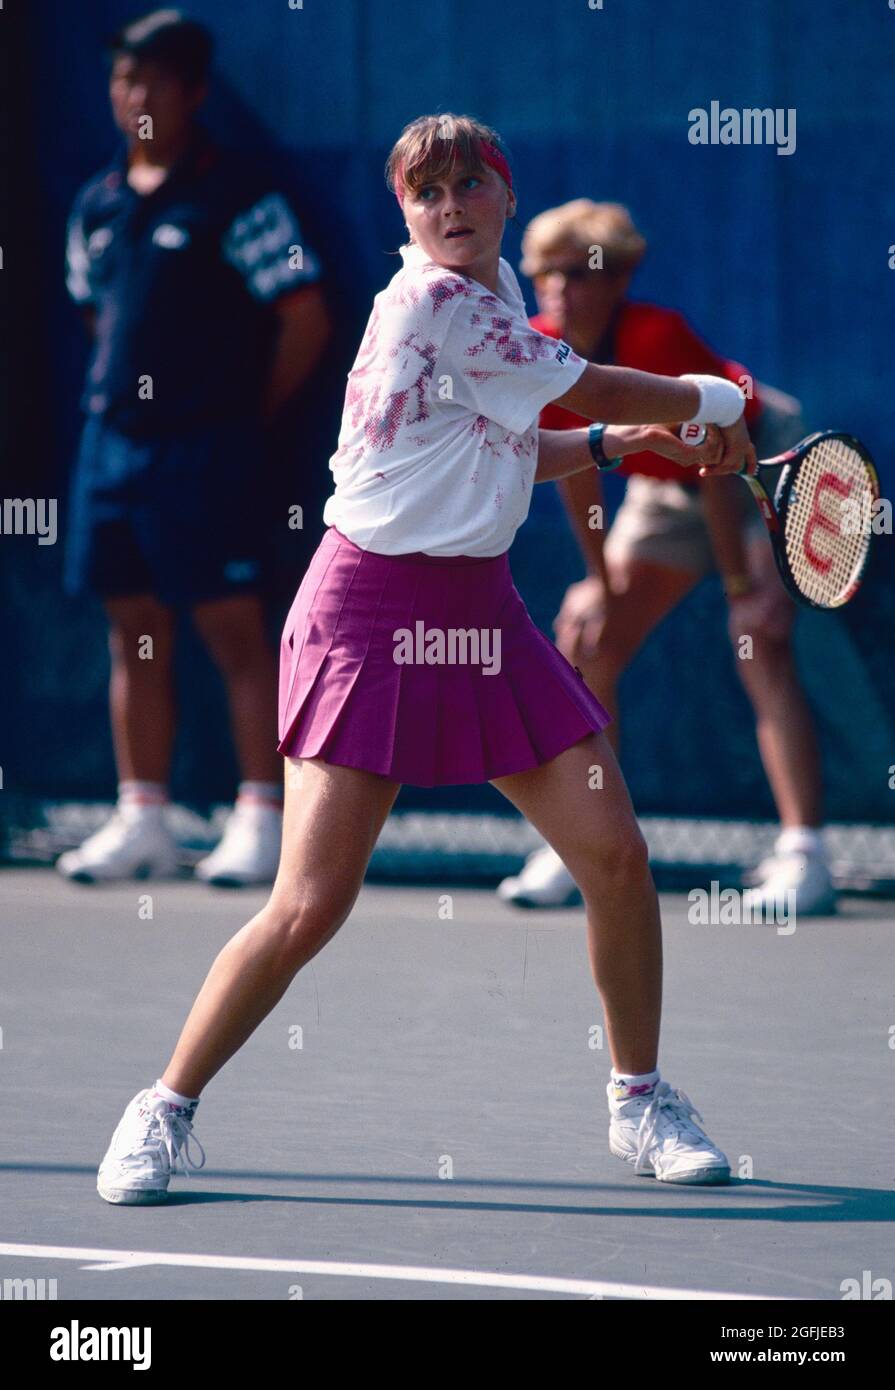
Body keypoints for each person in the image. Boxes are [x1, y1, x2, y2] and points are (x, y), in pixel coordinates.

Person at [95, 113, 756, 1206]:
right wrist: (713, 400)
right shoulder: (428, 300)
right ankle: (159, 1109)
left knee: (615, 855)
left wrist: (614, 443)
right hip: (369, 612)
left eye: (468, 185)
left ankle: (637, 1100)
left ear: (505, 193)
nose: (448, 207)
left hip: (482, 614)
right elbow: (590, 382)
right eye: (424, 192)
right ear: (404, 213)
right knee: (310, 902)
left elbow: (504, 442)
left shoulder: (491, 308)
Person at [57, 9, 331, 887]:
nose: (132, 97)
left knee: (234, 630)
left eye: (152, 82)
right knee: (131, 629)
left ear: (193, 92)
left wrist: (235, 416)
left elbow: (305, 317)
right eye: (121, 81)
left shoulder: (241, 195)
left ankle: (261, 815)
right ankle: (144, 815)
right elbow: (100, 321)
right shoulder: (96, 203)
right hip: (113, 450)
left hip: (211, 454)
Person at [498, 201, 834, 915]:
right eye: (545, 274)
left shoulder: (657, 334)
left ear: (616, 280)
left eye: (577, 273)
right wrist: (597, 582)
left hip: (758, 463)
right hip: (669, 483)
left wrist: (742, 583)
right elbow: (578, 472)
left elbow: (717, 465)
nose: (558, 287)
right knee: (586, 642)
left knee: (757, 641)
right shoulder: (539, 347)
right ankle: (588, 845)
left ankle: (806, 856)